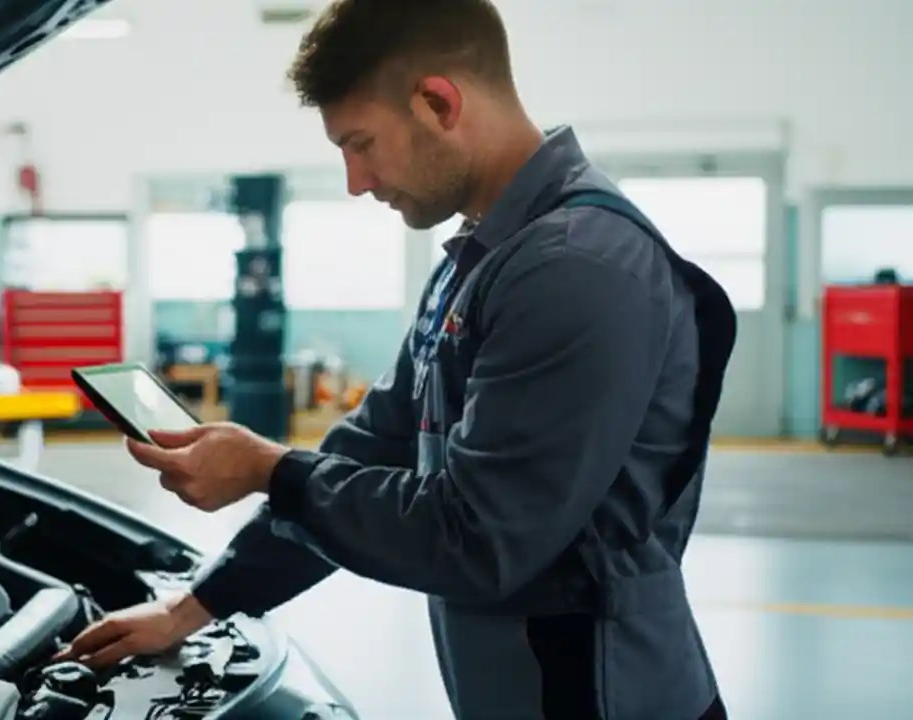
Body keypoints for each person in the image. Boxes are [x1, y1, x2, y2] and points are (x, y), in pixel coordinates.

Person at [56, 1, 736, 718]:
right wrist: (194, 607)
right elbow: (370, 450)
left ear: (438, 102)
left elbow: (476, 540)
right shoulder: (479, 263)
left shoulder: (575, 267)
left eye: (361, 143)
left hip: (601, 694)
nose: (355, 180)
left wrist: (268, 470)